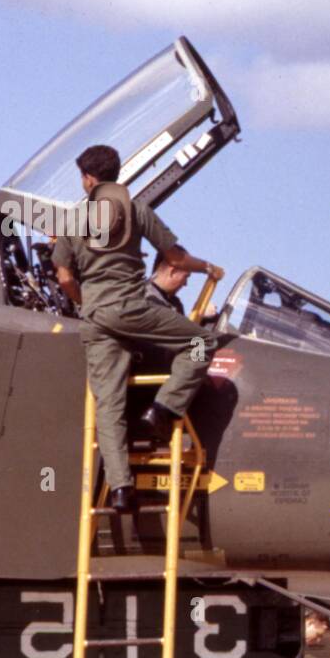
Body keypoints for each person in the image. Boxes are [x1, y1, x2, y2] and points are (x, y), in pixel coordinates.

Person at [51, 145, 224, 513]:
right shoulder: (136, 210)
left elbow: (64, 276)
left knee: (108, 404)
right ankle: (163, 410)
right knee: (202, 342)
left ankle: (120, 490)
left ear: (87, 178)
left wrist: (85, 302)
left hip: (96, 317)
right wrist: (207, 266)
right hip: (132, 308)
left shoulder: (70, 222)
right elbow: (176, 258)